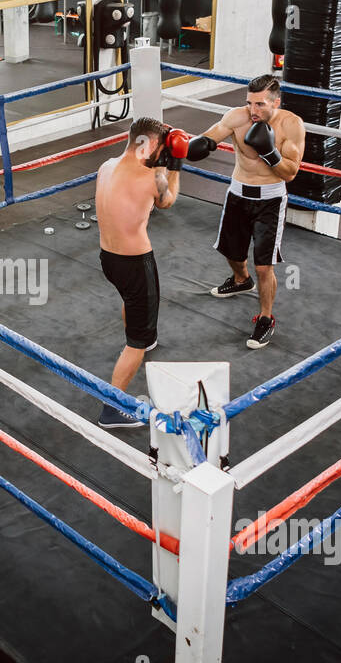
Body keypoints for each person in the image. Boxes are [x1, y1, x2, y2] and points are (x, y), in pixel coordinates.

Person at [199, 74, 305, 349]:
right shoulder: (237, 117)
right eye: (249, 103)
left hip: (269, 201)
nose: (252, 111)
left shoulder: (291, 125)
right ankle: (241, 280)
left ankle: (266, 317)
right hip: (237, 195)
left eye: (260, 105)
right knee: (231, 252)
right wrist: (192, 146)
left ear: (276, 102)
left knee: (263, 264)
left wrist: (269, 152)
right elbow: (211, 135)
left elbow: (291, 172)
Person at [93, 117, 180, 428]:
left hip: (108, 259)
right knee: (137, 343)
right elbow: (167, 201)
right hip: (135, 262)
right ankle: (112, 409)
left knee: (131, 300)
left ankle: (142, 335)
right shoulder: (151, 178)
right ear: (151, 145)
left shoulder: (107, 165)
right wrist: (176, 165)